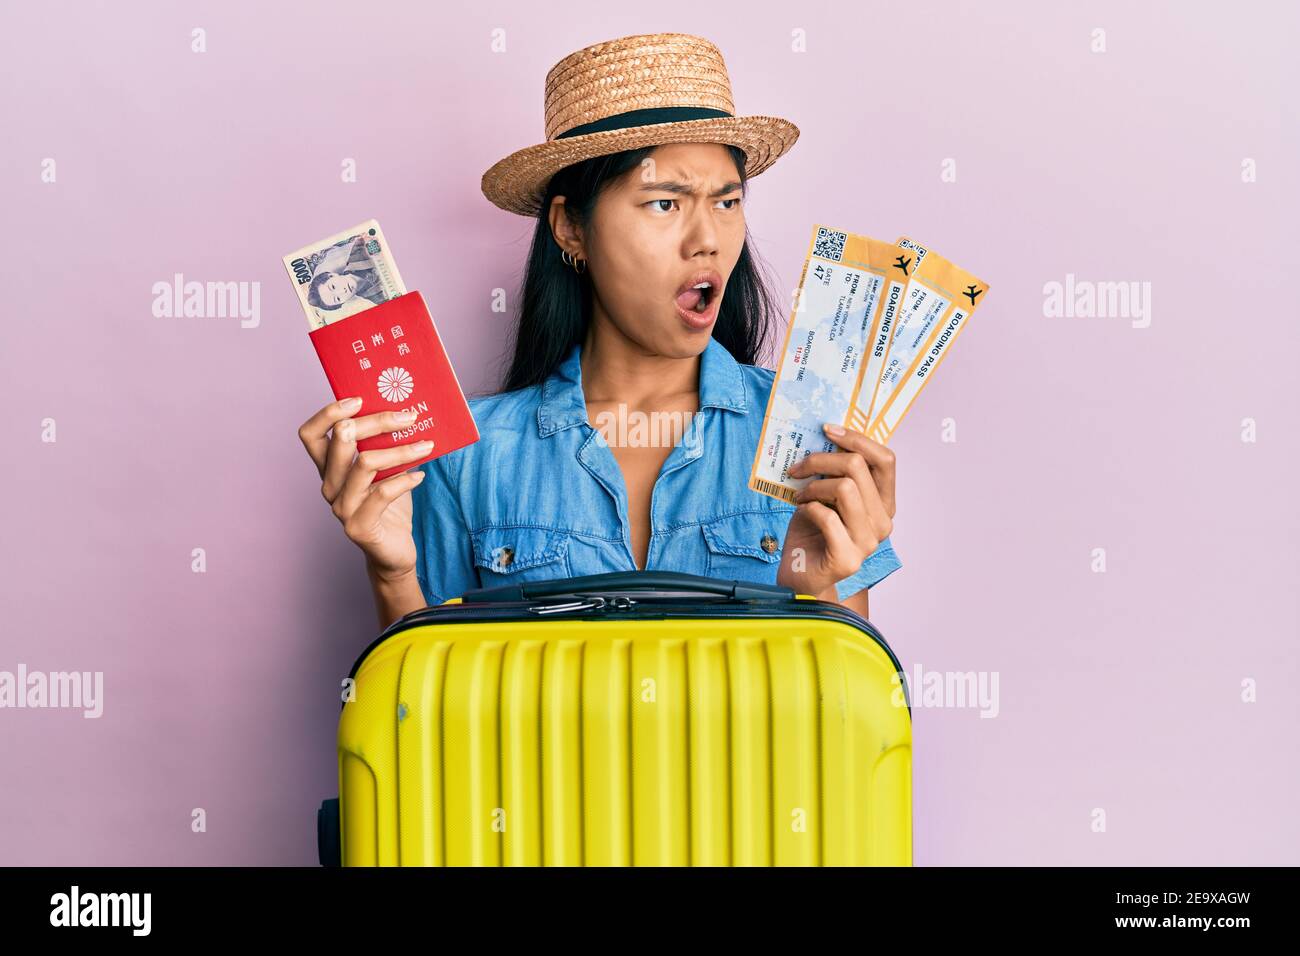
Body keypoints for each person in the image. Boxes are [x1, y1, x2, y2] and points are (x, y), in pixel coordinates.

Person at [298, 33, 900, 631]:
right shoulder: (467, 459)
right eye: (665, 203)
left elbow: (851, 716)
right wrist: (392, 575)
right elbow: (424, 716)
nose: (709, 240)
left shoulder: (811, 436)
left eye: (727, 202)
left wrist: (819, 594)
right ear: (570, 229)